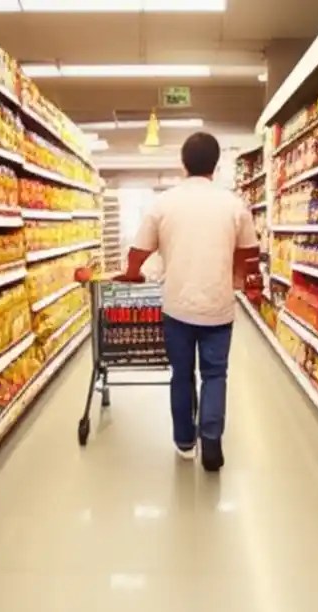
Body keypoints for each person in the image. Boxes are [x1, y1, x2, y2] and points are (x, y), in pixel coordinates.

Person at [116, 132, 259, 471]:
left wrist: (133, 272)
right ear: (216, 164)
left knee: (181, 374)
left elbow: (139, 250)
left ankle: (183, 441)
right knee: (215, 375)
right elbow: (250, 255)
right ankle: (211, 442)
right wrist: (243, 282)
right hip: (218, 307)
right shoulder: (234, 204)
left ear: (183, 163)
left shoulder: (164, 203)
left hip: (177, 307)